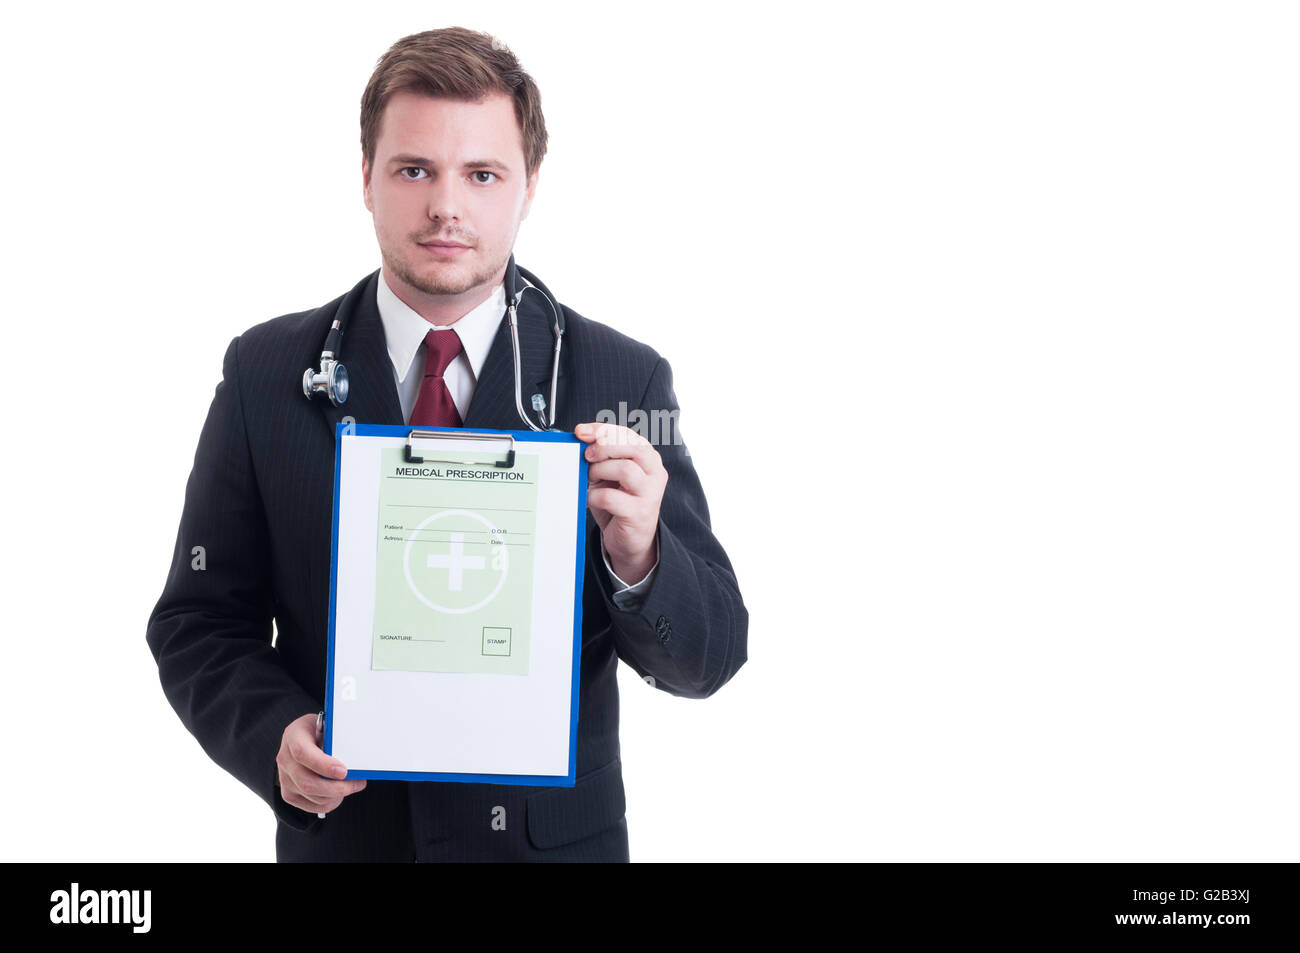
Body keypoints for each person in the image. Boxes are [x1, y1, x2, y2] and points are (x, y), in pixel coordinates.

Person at [145, 27, 747, 862]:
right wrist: (275, 734)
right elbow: (198, 621)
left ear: (527, 187)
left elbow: (711, 657)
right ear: (365, 178)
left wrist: (643, 558)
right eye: (414, 169)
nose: (446, 207)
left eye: (482, 174)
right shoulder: (264, 373)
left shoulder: (622, 378)